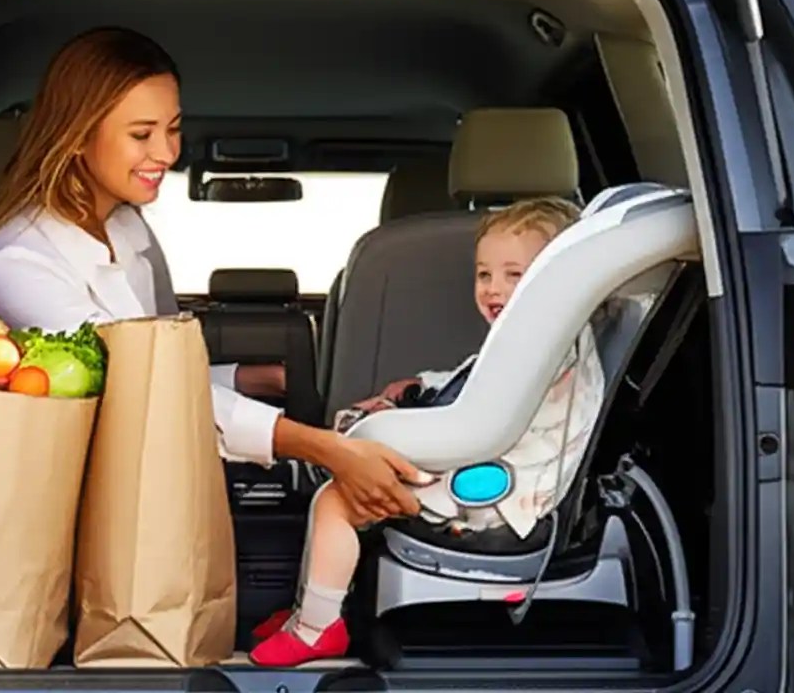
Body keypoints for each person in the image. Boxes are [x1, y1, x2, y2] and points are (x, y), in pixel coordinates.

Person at [0, 26, 429, 524]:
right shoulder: (15, 263)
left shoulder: (127, 229)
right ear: (76, 137)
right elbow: (140, 390)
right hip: (58, 513)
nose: (166, 153)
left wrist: (259, 379)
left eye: (173, 128)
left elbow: (162, 369)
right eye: (141, 134)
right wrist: (324, 448)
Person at [247, 196, 607, 667]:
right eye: (484, 274)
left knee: (339, 499)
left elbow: (480, 420)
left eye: (514, 275)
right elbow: (476, 384)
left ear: (556, 279)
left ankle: (317, 628)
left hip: (498, 500)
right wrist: (418, 387)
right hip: (504, 470)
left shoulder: (537, 347)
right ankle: (313, 608)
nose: (493, 289)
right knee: (360, 487)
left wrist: (382, 434)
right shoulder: (543, 336)